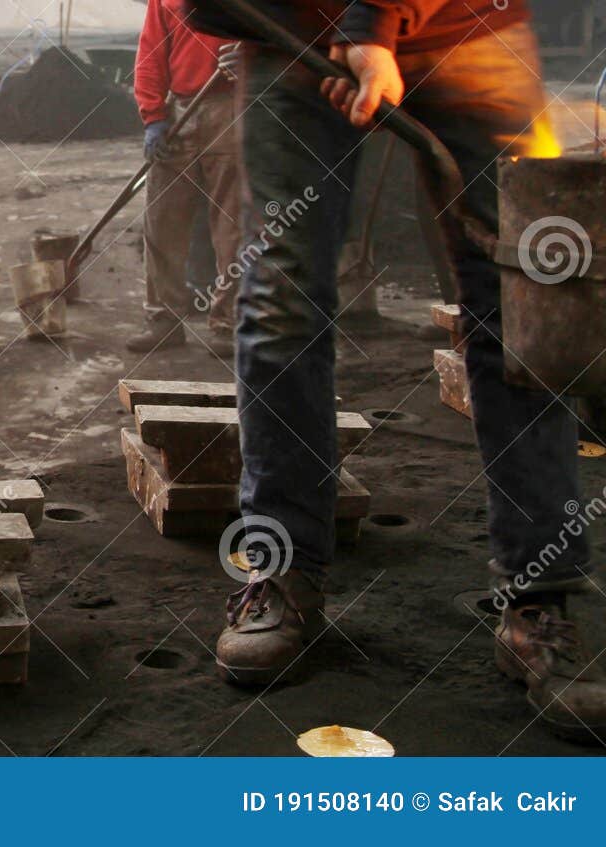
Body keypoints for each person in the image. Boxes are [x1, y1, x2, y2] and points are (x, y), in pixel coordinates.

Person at [189, 0, 604, 742]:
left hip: (465, 24)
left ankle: (539, 594)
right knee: (282, 298)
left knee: (519, 302)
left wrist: (373, 25)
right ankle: (281, 570)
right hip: (294, 27)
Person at [128, 0, 242, 357]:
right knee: (162, 219)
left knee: (232, 224)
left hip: (233, 108)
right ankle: (163, 319)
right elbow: (150, 52)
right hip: (180, 111)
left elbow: (293, 35)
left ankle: (229, 323)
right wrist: (153, 116)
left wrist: (254, 56)